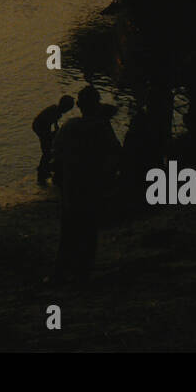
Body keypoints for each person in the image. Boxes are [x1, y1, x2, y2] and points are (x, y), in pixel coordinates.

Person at [52, 86, 122, 282]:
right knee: (88, 230)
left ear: (80, 105)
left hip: (74, 185)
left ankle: (63, 272)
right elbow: (115, 153)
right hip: (92, 184)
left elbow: (57, 154)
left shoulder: (72, 127)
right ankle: (82, 272)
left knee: (69, 230)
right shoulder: (102, 127)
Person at [32, 95, 75, 184]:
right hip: (40, 128)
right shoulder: (55, 112)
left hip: (40, 127)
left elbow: (53, 124)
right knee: (47, 151)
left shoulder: (56, 110)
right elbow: (47, 123)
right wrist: (51, 135)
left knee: (48, 150)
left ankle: (44, 170)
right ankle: (43, 171)